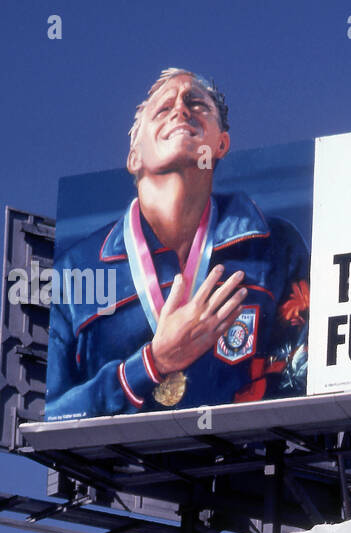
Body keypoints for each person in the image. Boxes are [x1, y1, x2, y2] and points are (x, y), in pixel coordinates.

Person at [46, 68, 310, 420]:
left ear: (221, 144)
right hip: (124, 473)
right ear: (134, 156)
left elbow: (302, 382)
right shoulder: (74, 271)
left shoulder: (275, 246)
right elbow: (46, 417)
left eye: (197, 104)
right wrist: (152, 363)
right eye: (163, 108)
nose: (181, 109)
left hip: (245, 469)